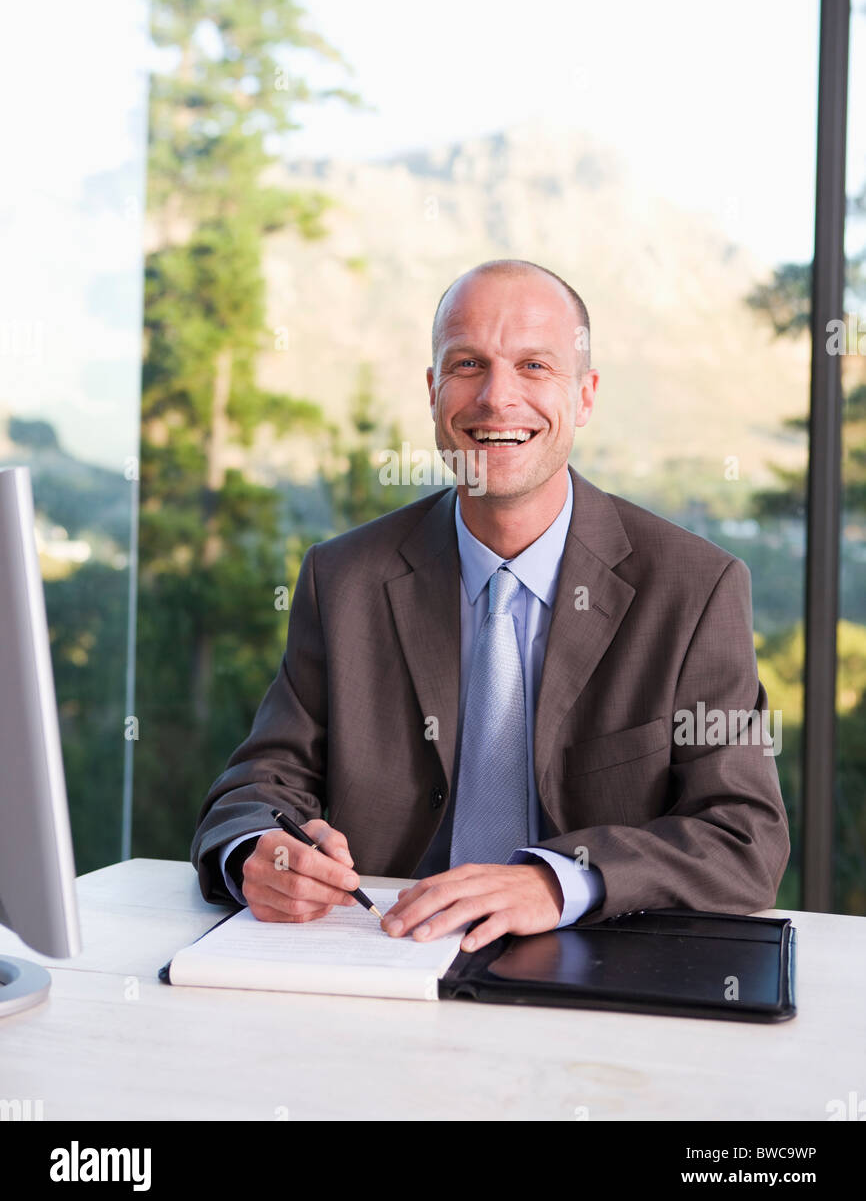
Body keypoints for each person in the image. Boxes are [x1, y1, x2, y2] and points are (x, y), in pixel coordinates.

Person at [190, 258, 790, 955]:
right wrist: (258, 850)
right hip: (383, 960)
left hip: (597, 975)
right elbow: (256, 786)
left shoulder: (694, 589)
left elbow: (744, 837)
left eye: (534, 366)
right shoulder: (345, 579)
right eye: (468, 364)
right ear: (434, 389)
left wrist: (559, 881)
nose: (498, 399)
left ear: (586, 395)